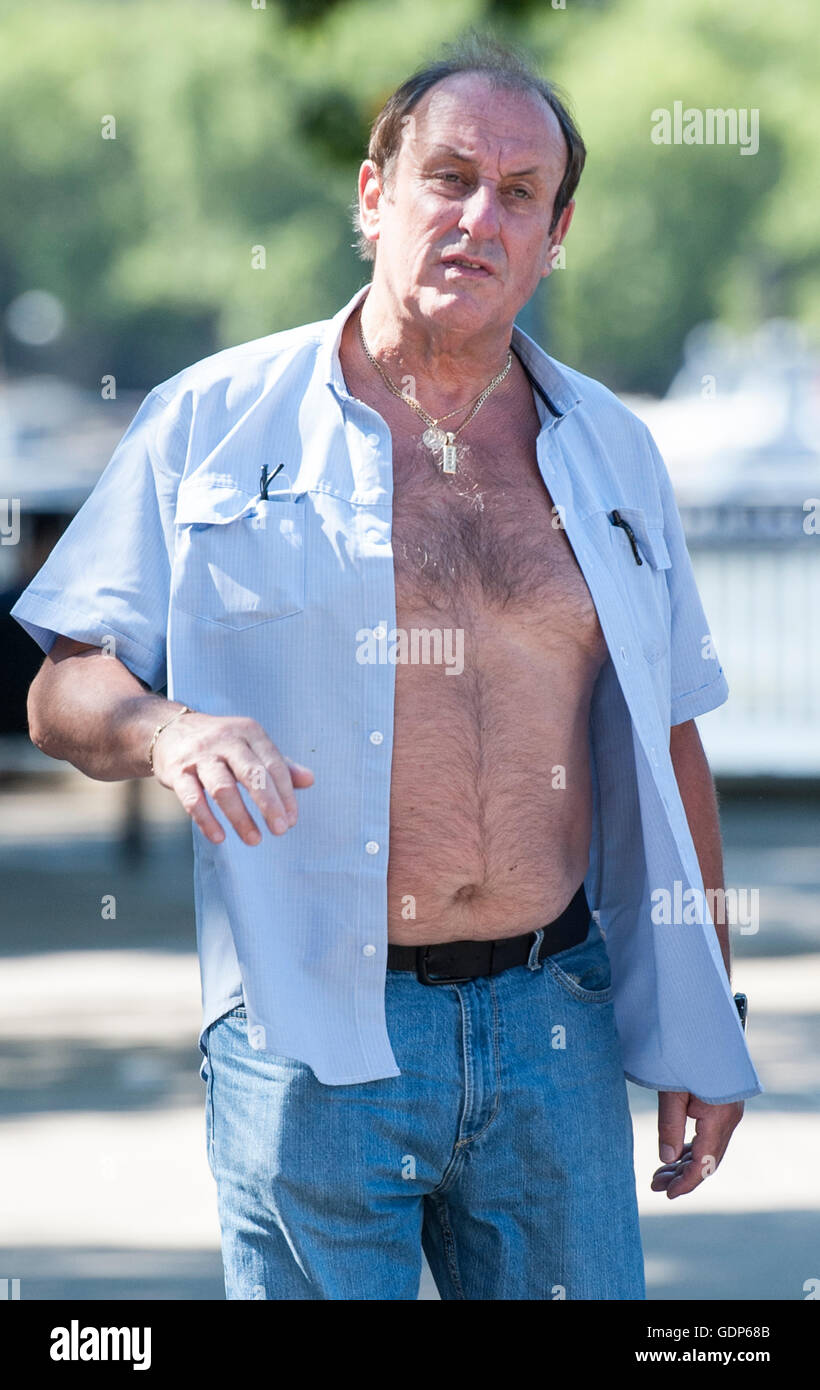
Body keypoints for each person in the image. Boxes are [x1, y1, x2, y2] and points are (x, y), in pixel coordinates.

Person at [11, 36, 761, 1301]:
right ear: (375, 196)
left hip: (551, 1019)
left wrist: (707, 1007)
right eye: (449, 176)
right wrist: (168, 728)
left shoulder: (615, 450)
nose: (478, 217)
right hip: (307, 1028)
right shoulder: (211, 418)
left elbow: (669, 733)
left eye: (519, 194)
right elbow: (60, 686)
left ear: (556, 231)